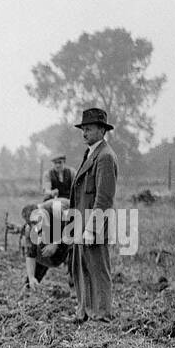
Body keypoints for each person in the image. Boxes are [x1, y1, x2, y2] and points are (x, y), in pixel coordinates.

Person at [67, 108, 119, 323]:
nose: (84, 133)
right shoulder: (91, 153)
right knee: (82, 269)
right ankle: (85, 312)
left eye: (88, 129)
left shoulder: (105, 157)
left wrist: (91, 228)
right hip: (82, 223)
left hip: (93, 225)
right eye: (83, 129)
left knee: (98, 270)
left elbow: (104, 198)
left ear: (102, 130)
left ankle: (102, 315)